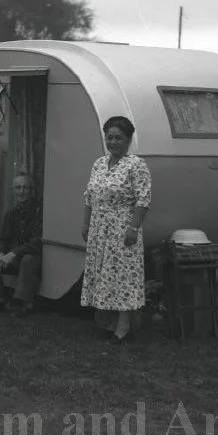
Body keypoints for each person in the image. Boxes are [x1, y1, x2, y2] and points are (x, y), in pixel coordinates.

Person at [81, 116, 152, 343]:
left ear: (129, 139)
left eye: (118, 138)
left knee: (123, 277)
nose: (113, 142)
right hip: (99, 229)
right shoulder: (99, 164)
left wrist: (133, 227)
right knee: (104, 275)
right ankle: (108, 322)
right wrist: (86, 223)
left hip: (123, 229)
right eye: (109, 137)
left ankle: (123, 326)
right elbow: (89, 196)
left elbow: (143, 200)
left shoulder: (136, 165)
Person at [0, 173, 44, 318]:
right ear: (14, 191)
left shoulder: (40, 212)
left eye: (25, 188)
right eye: (18, 188)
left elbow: (38, 241)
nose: (21, 192)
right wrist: (1, 253)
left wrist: (13, 254)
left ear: (31, 190)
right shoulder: (11, 213)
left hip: (34, 260)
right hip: (15, 257)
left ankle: (23, 302)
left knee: (29, 259)